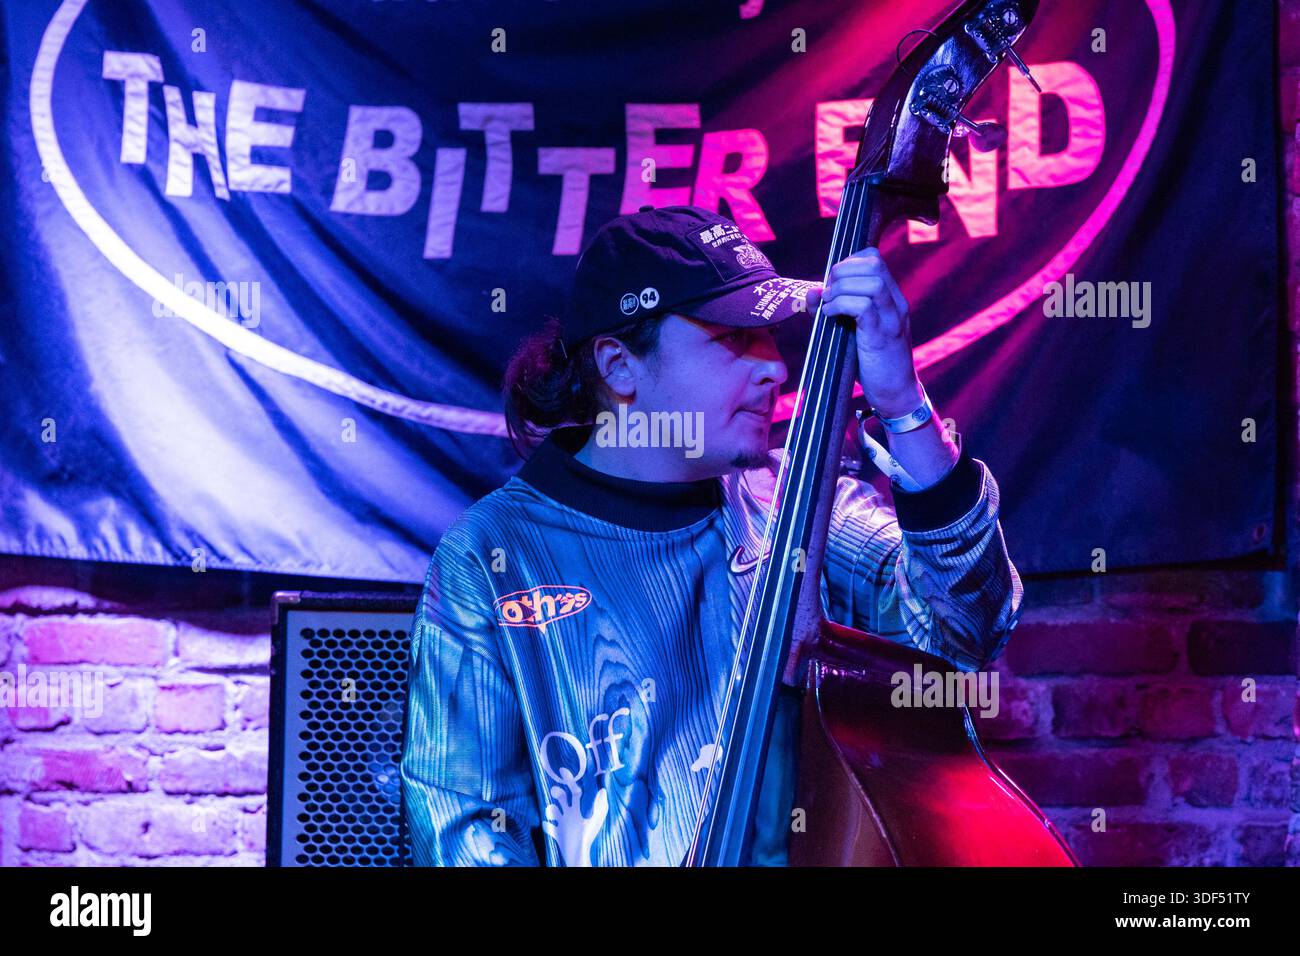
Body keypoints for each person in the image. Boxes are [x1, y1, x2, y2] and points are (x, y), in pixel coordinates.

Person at [400, 204, 1023, 866]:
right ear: (618, 366)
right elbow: (465, 832)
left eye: (769, 337)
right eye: (733, 340)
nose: (776, 368)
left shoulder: (799, 502)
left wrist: (904, 407)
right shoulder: (491, 555)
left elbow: (964, 634)